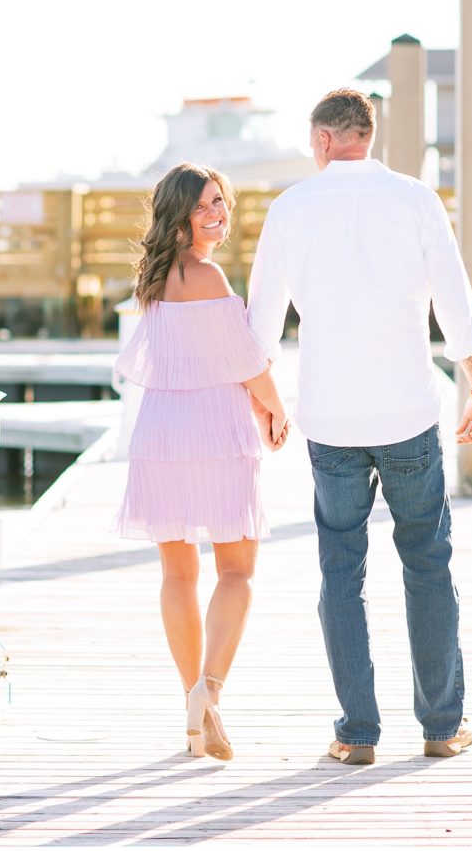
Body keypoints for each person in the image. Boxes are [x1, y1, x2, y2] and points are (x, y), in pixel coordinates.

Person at [247, 88, 472, 766]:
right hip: (408, 411)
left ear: (325, 140)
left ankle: (356, 735)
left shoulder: (291, 207)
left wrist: (267, 404)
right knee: (428, 562)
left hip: (330, 418)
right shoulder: (415, 199)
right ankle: (442, 727)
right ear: (368, 135)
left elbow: (261, 322)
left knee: (340, 570)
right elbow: (456, 301)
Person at [112, 162, 290, 762]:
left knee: (177, 575)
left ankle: (191, 708)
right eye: (204, 205)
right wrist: (277, 410)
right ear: (180, 214)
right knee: (237, 571)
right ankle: (209, 692)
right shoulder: (208, 275)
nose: (218, 213)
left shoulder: (153, 278)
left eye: (221, 202)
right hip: (215, 433)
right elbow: (247, 363)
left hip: (160, 434)